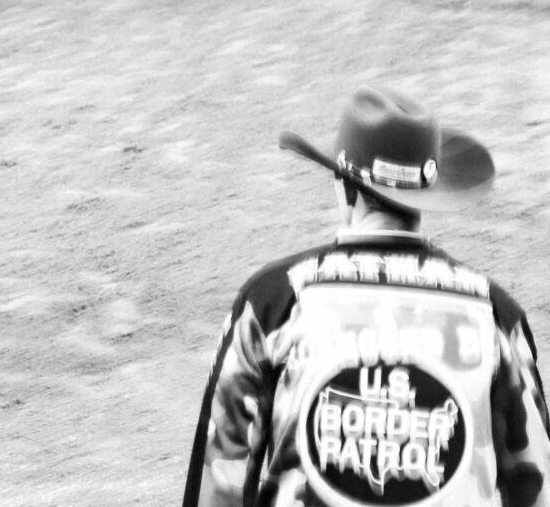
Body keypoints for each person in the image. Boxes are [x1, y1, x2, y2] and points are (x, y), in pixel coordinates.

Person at [182, 86, 550, 507]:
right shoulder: (495, 314)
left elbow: (219, 482)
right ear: (425, 197)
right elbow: (537, 486)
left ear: (344, 187)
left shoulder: (272, 302)